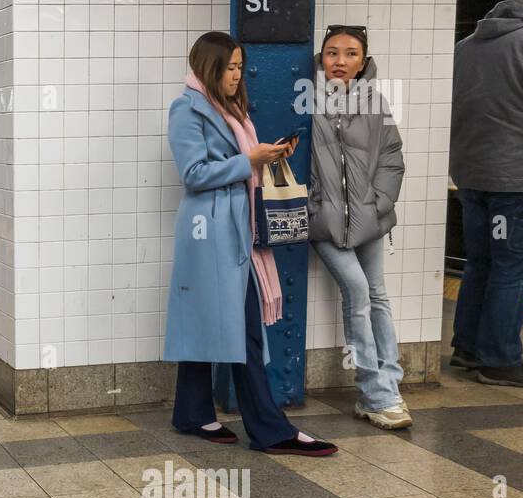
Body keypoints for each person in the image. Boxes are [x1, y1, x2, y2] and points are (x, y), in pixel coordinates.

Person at [165, 31, 337, 455]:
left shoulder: (232, 110)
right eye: (231, 67)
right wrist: (250, 160)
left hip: (235, 229)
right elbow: (193, 174)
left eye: (241, 66)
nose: (238, 75)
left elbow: (239, 167)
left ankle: (192, 413)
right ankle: (269, 429)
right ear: (210, 67)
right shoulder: (187, 109)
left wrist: (267, 156)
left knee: (211, 322)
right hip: (212, 235)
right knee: (245, 333)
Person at [451, 0, 523, 388]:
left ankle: (469, 348)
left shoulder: (465, 47)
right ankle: (500, 360)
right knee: (516, 267)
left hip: (471, 177)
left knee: (482, 263)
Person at [308, 25, 410, 430]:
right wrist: (312, 206)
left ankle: (391, 387)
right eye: (332, 53)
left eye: (351, 54)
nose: (340, 61)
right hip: (326, 222)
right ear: (321, 58)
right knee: (359, 291)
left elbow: (392, 157)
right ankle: (375, 394)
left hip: (370, 220)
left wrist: (379, 203)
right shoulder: (305, 100)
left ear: (363, 61)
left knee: (379, 296)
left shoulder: (376, 102)